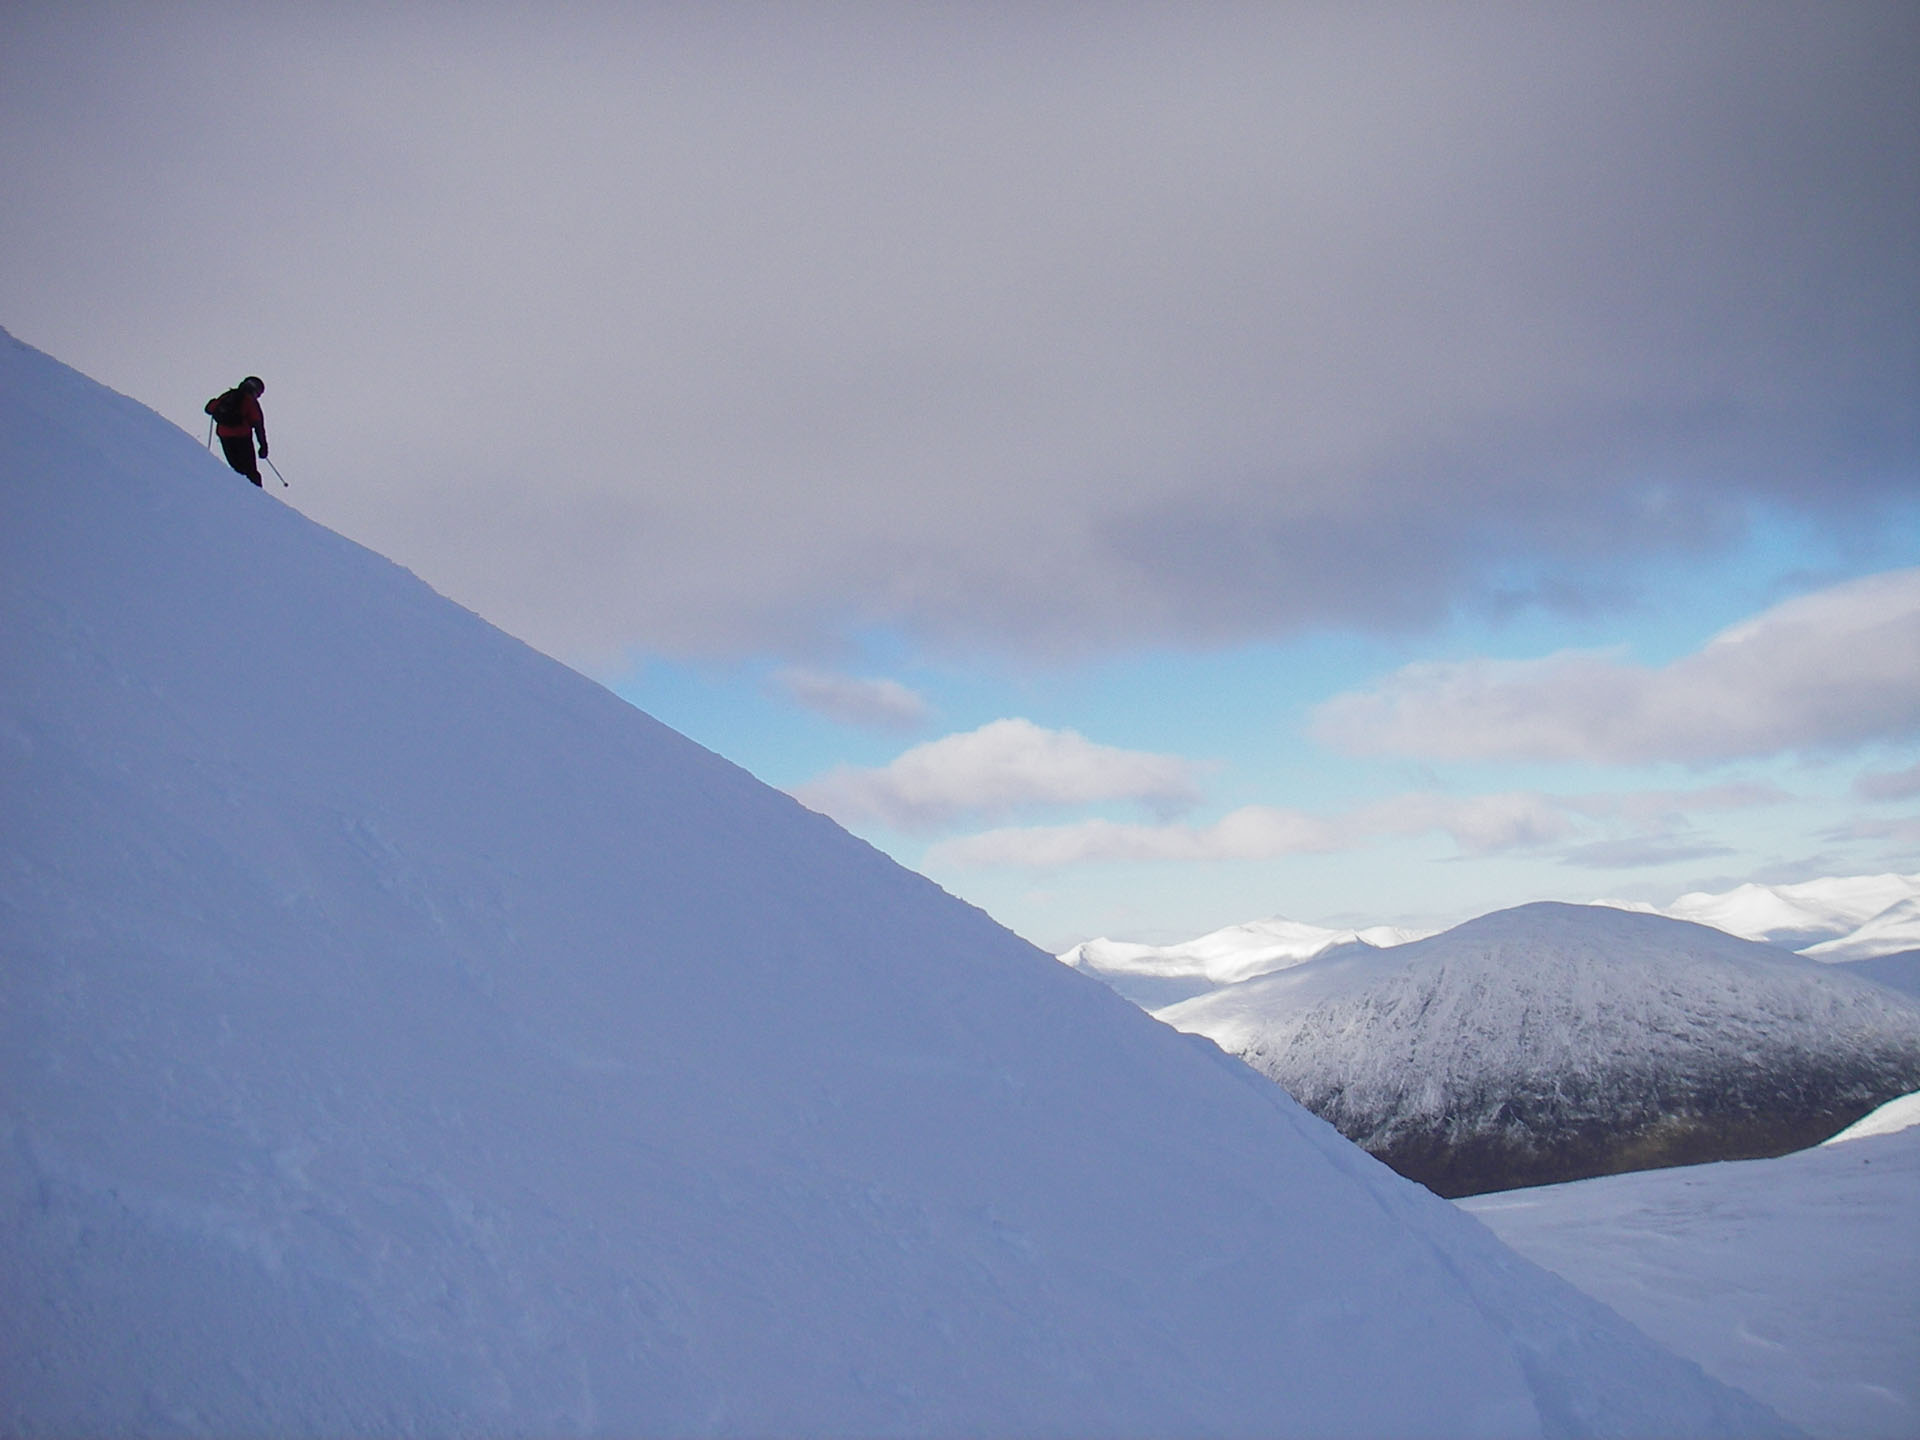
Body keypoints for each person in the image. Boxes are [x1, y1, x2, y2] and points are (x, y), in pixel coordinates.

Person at [206, 376, 269, 486]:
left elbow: (209, 409)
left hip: (224, 436)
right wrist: (263, 446)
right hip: (242, 437)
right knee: (250, 470)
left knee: (236, 468)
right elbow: (258, 425)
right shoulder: (250, 401)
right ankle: (257, 496)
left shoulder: (228, 395)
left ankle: (238, 491)